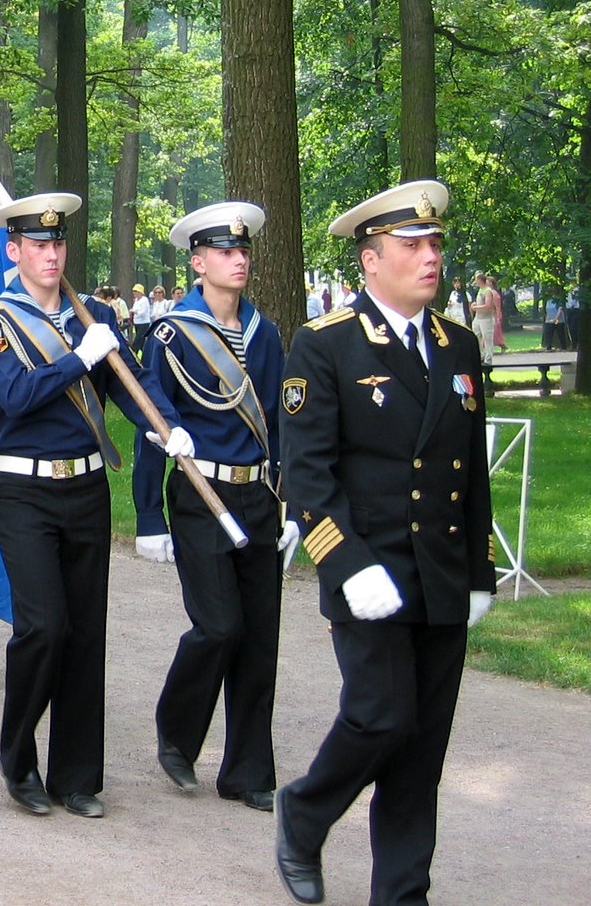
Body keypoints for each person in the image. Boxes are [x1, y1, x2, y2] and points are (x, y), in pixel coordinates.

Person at [274, 179, 495, 906]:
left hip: (437, 571)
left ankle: (402, 895)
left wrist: (479, 570)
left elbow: (470, 469)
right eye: (413, 245)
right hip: (366, 567)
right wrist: (342, 561)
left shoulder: (457, 345)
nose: (431, 256)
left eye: (435, 243)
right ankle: (305, 812)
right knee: (380, 716)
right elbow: (305, 475)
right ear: (371, 261)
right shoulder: (326, 344)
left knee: (421, 750)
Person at [0, 193, 189, 821]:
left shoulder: (90, 318)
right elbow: (14, 396)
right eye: (38, 245)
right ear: (14, 252)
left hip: (87, 488)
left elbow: (131, 381)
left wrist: (166, 426)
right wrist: (76, 359)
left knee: (87, 632)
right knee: (43, 626)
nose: (50, 254)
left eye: (58, 244)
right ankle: (18, 758)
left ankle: (78, 775)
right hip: (24, 490)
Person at [132, 202, 288, 813]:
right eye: (225, 252)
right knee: (219, 625)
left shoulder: (266, 332)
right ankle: (176, 729)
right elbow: (152, 421)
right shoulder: (171, 332)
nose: (239, 259)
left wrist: (293, 501)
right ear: (198, 263)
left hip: (257, 495)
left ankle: (248, 772)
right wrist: (149, 516)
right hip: (201, 495)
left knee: (260, 639)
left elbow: (280, 421)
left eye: (243, 251)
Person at [470, 273, 498, 364]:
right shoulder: (480, 290)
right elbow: (480, 303)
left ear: (480, 280)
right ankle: (481, 355)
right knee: (475, 336)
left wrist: (475, 308)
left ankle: (488, 359)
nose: (475, 282)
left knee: (487, 338)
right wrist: (475, 304)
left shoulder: (487, 291)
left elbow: (488, 305)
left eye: (476, 280)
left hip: (486, 318)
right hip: (478, 318)